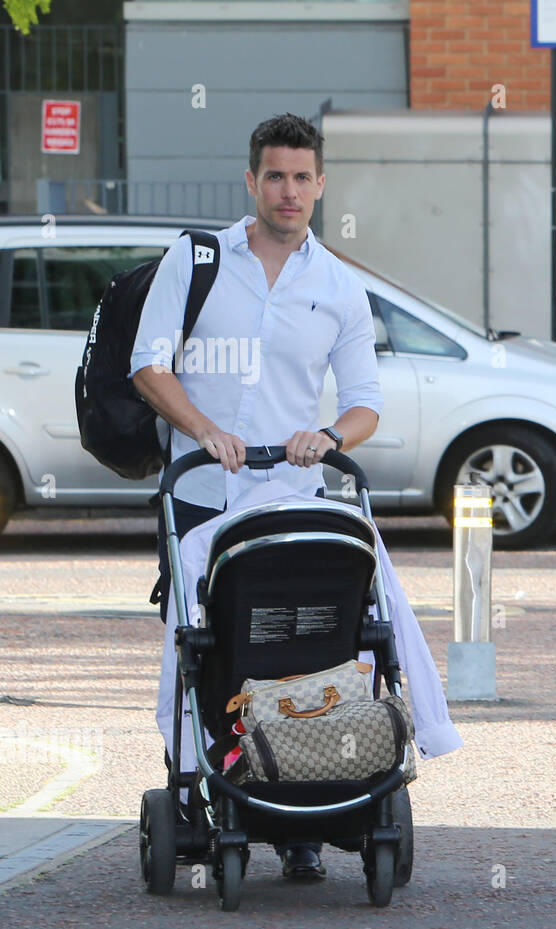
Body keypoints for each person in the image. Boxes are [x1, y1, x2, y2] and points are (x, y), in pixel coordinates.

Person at [130, 113, 382, 880]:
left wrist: (331, 435)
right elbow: (149, 366)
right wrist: (204, 431)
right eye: (275, 175)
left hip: (290, 503)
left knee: (301, 650)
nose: (289, 191)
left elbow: (366, 402)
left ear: (321, 185)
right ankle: (214, 786)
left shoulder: (338, 285)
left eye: (303, 177)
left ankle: (301, 811)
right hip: (203, 497)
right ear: (251, 182)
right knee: (212, 652)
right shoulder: (198, 260)